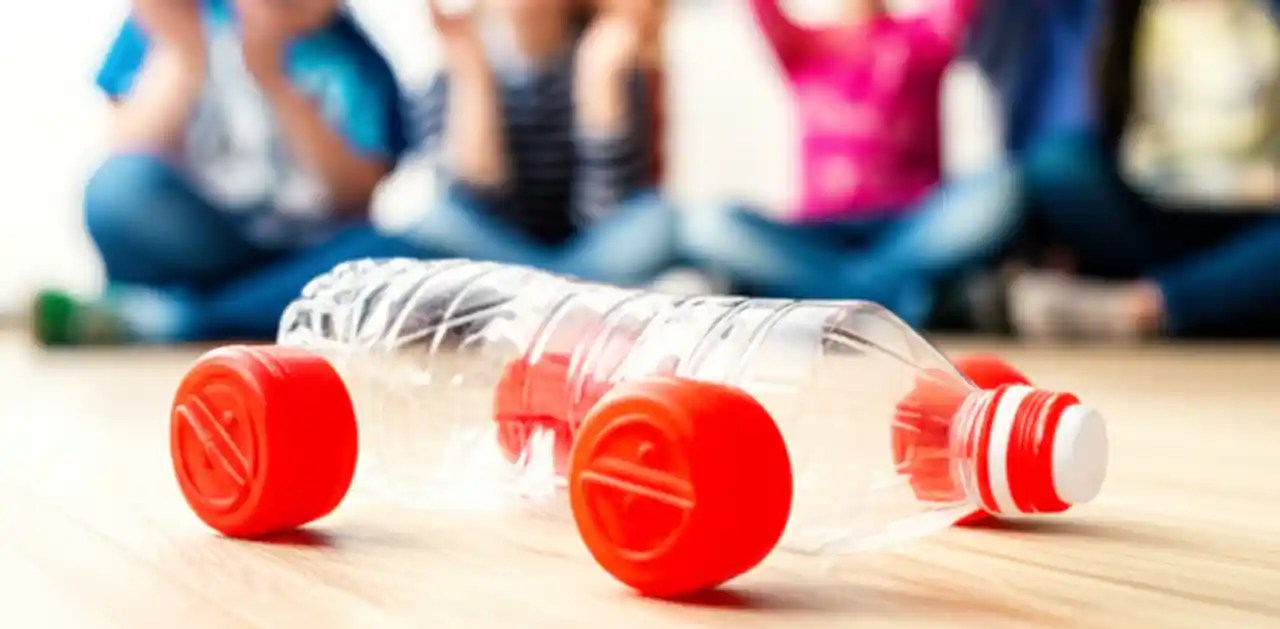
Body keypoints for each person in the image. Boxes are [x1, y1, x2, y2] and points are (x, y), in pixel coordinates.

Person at [34, 0, 421, 345]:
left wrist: (274, 80)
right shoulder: (174, 16)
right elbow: (129, 147)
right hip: (198, 240)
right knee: (116, 192)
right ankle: (231, 309)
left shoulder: (358, 63)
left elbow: (355, 199)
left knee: (393, 257)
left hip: (297, 255)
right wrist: (186, 54)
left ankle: (173, 319)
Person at [680, 0, 1021, 328]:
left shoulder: (924, 37)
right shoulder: (803, 46)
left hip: (908, 229)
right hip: (816, 236)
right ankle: (896, 299)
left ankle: (817, 296)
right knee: (709, 223)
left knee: (1002, 187)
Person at [1012, 0, 1280, 340]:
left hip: (1258, 215)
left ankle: (1144, 309)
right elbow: (1108, 117)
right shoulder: (1130, 11)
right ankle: (1220, 293)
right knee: (1057, 164)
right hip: (1155, 209)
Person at [404, 0, 674, 287]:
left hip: (588, 255)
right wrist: (474, 80)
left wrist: (601, 84)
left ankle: (547, 289)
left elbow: (605, 218)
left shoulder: (607, 59)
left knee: (655, 216)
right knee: (437, 218)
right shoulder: (452, 62)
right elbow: (479, 209)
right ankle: (561, 289)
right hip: (497, 255)